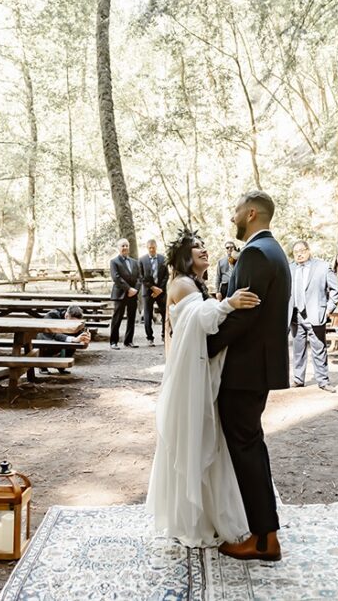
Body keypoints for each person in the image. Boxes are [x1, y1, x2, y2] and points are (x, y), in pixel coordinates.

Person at [146, 228, 260, 548]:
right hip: (190, 376)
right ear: (184, 257)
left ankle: (210, 515)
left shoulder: (195, 284)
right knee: (197, 439)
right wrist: (229, 304)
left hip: (198, 369)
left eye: (203, 245)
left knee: (208, 439)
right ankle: (195, 520)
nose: (203, 250)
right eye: (196, 247)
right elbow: (203, 320)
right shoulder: (181, 283)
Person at [207, 190, 291, 562]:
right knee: (249, 446)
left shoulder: (256, 253)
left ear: (252, 213)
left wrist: (202, 346)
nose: (232, 217)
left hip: (245, 370)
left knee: (247, 448)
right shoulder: (274, 251)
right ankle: (260, 529)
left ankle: (263, 539)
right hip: (256, 368)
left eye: (236, 210)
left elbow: (246, 315)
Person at [289, 241, 338, 392]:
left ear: (308, 250)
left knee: (319, 348)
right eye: (295, 251)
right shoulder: (289, 268)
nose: (299, 253)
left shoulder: (323, 267)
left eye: (302, 250)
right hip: (295, 315)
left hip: (316, 314)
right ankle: (298, 379)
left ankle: (323, 381)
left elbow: (335, 290)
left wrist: (328, 309)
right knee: (298, 349)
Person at [37, 305, 92, 374]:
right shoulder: (52, 316)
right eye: (72, 322)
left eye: (75, 323)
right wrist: (73, 339)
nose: (73, 324)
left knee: (74, 342)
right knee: (68, 340)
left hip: (62, 337)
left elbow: (80, 335)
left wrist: (85, 338)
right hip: (46, 338)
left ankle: (61, 366)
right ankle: (42, 366)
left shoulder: (78, 321)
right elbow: (52, 334)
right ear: (66, 316)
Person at [108, 238, 140, 349]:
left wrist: (135, 289)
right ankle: (113, 342)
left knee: (131, 318)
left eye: (126, 245)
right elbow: (116, 278)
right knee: (117, 318)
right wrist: (128, 289)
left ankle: (128, 341)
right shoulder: (114, 262)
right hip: (120, 294)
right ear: (118, 248)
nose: (125, 248)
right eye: (122, 246)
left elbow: (139, 278)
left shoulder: (135, 262)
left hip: (133, 295)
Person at [139, 239, 169, 346]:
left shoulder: (163, 259)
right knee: (147, 315)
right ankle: (149, 338)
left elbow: (166, 275)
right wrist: (152, 288)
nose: (152, 249)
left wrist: (159, 289)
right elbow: (141, 277)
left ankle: (164, 335)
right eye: (150, 248)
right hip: (148, 292)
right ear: (147, 248)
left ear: (156, 247)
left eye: (153, 247)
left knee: (165, 313)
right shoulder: (142, 260)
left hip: (161, 291)